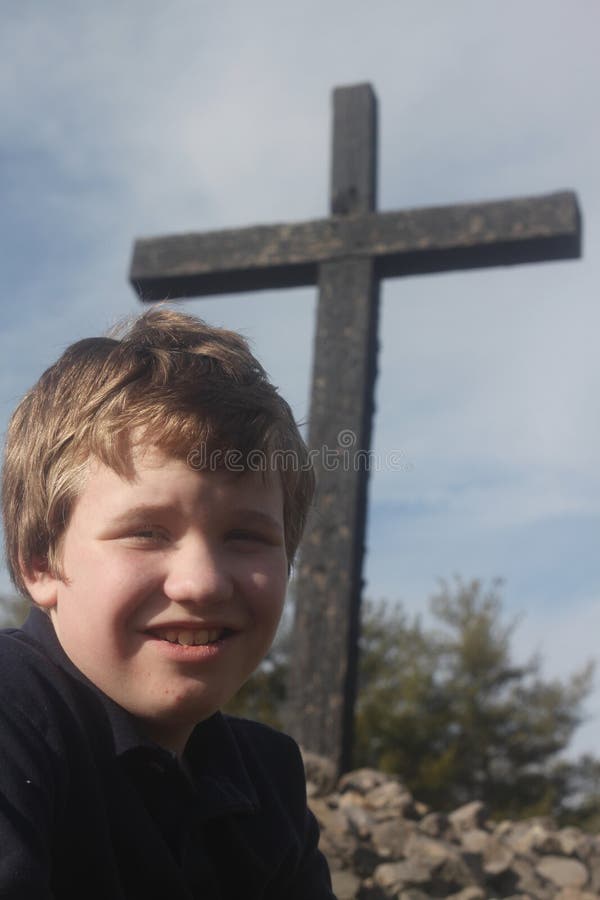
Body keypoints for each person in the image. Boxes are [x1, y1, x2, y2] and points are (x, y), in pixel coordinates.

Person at [0, 307, 336, 899]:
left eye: (246, 536)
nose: (201, 584)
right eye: (147, 532)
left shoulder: (268, 777)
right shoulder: (12, 717)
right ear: (40, 562)